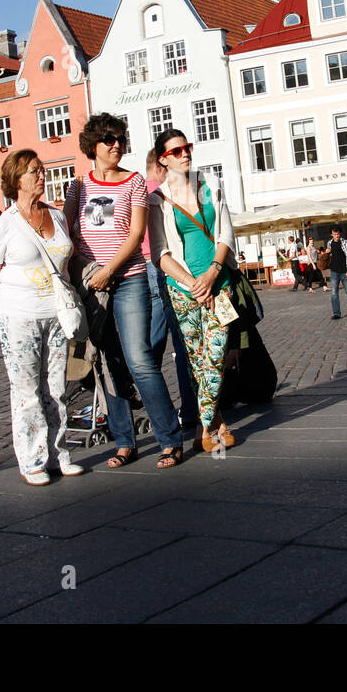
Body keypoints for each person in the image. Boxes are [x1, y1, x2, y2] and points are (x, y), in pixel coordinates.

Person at [64, 113, 183, 470]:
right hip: (91, 283)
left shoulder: (133, 183)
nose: (116, 145)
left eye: (119, 139)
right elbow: (65, 230)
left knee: (140, 360)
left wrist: (108, 271)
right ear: (93, 147)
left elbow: (135, 235)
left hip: (128, 277)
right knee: (106, 363)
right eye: (108, 139)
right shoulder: (78, 186)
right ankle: (124, 442)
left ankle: (170, 439)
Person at [0, 149, 82, 485]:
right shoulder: (3, 225)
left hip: (56, 316)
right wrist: (6, 308)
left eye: (41, 170)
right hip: (18, 316)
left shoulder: (57, 217)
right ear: (16, 180)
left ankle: (59, 454)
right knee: (26, 391)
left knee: (57, 388)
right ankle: (32, 461)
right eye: (33, 171)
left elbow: (67, 262)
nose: (41, 175)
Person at [147, 130, 238, 454]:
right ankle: (215, 424)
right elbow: (160, 253)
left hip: (220, 284)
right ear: (163, 158)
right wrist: (193, 284)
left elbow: (226, 231)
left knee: (216, 356)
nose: (184, 154)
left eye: (187, 147)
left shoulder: (211, 184)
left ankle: (205, 421)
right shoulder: (157, 200)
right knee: (199, 362)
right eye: (176, 151)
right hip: (183, 292)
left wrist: (213, 273)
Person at [143, 149, 199, 436]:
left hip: (149, 267)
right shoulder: (161, 193)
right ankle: (189, 409)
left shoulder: (141, 191)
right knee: (181, 343)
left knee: (153, 343)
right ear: (160, 165)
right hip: (166, 266)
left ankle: (147, 396)